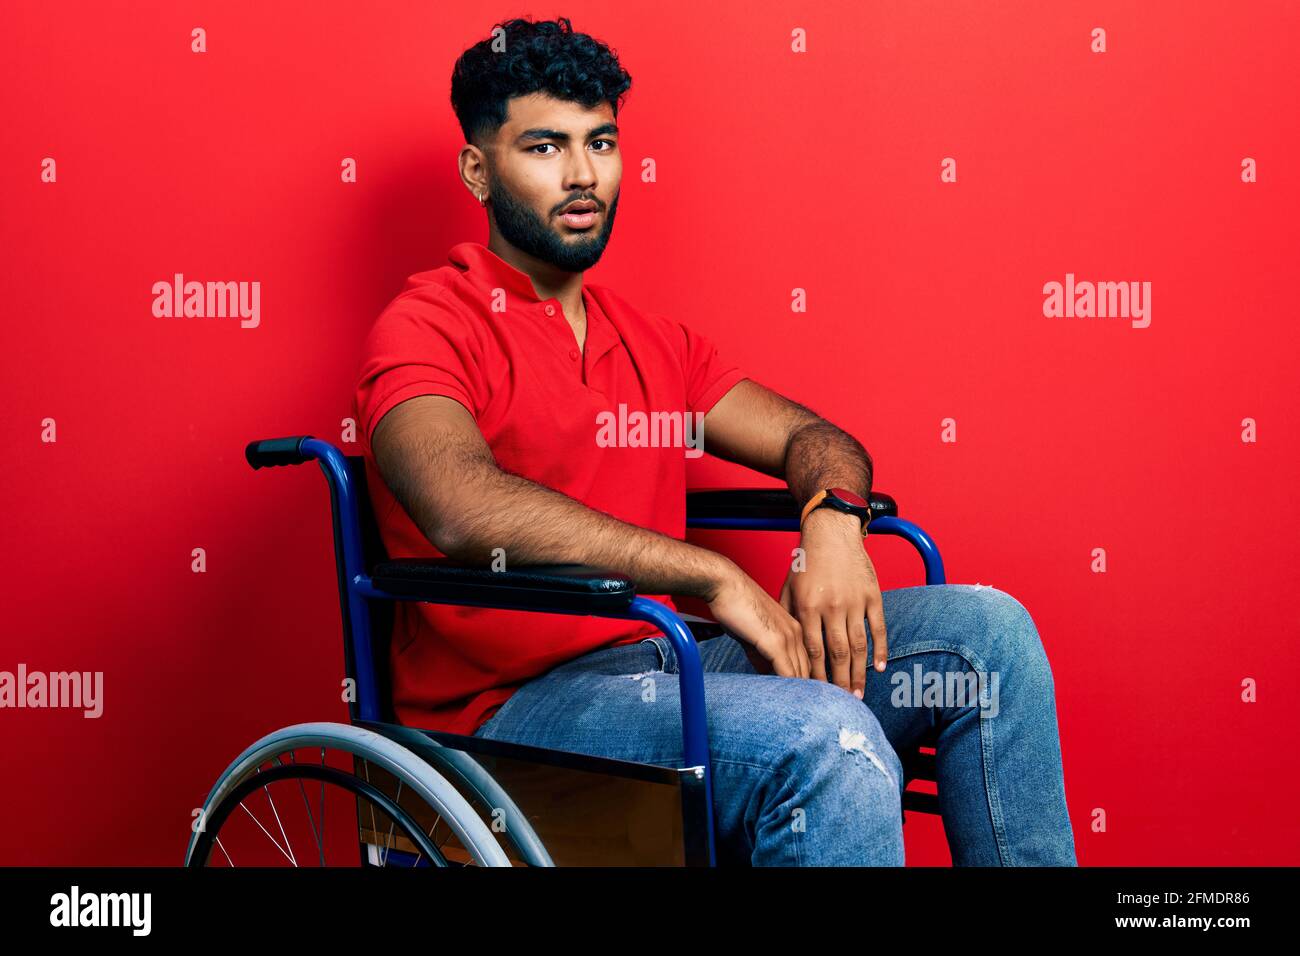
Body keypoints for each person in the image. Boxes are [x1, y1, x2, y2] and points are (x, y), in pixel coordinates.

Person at [353, 16, 1076, 866]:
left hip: (671, 665)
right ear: (479, 169)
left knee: (988, 638)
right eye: (545, 147)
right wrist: (712, 572)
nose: (584, 175)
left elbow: (814, 437)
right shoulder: (428, 324)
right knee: (827, 739)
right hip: (512, 714)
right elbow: (459, 506)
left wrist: (835, 520)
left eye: (602, 142)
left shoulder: (658, 343)